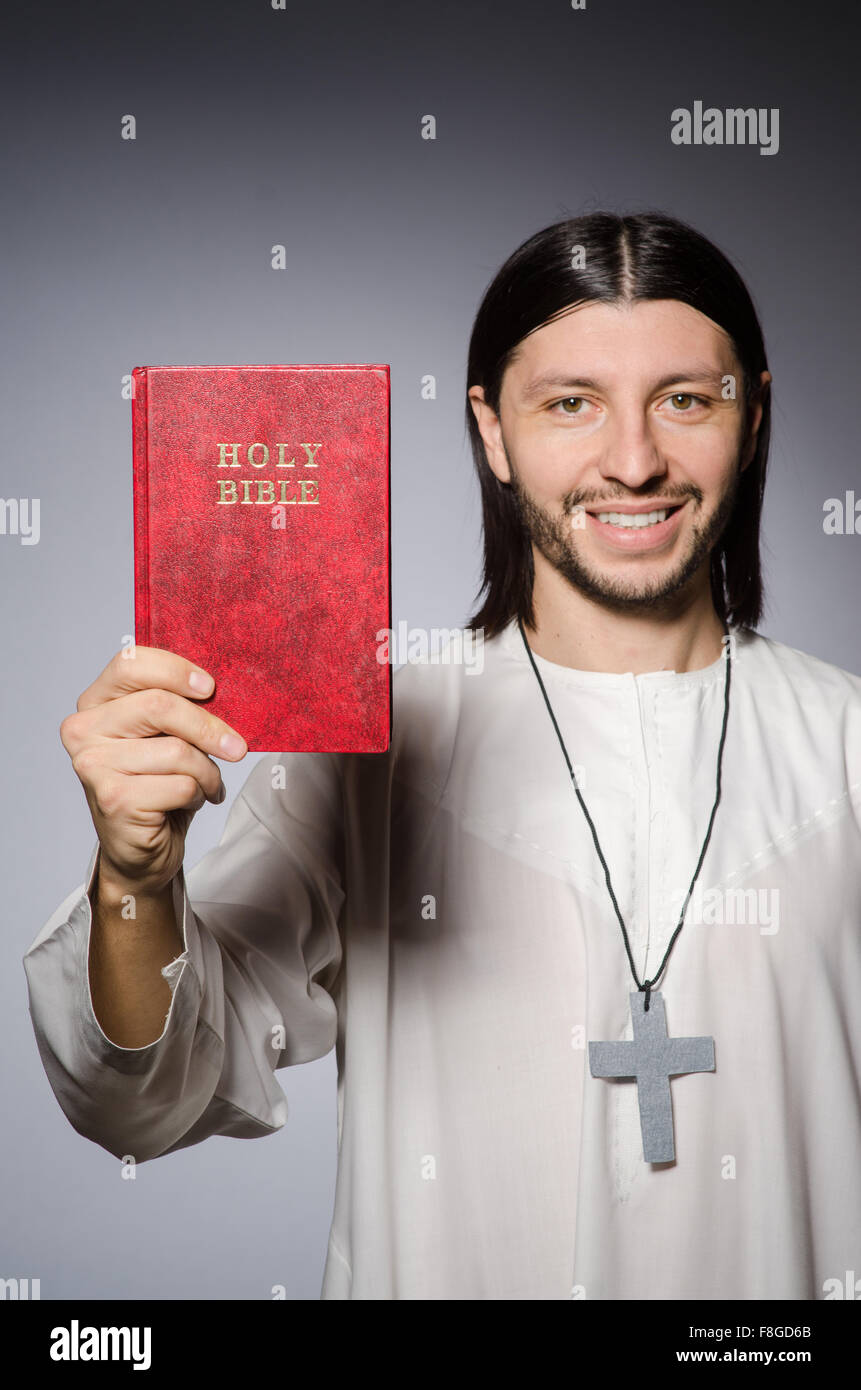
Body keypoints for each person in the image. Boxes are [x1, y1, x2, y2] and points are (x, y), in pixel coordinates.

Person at [24, 211, 861, 1300]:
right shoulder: (371, 748)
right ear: (493, 430)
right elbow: (149, 1094)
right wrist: (135, 883)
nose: (634, 460)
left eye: (685, 399)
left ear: (750, 416)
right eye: (572, 403)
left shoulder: (845, 745)